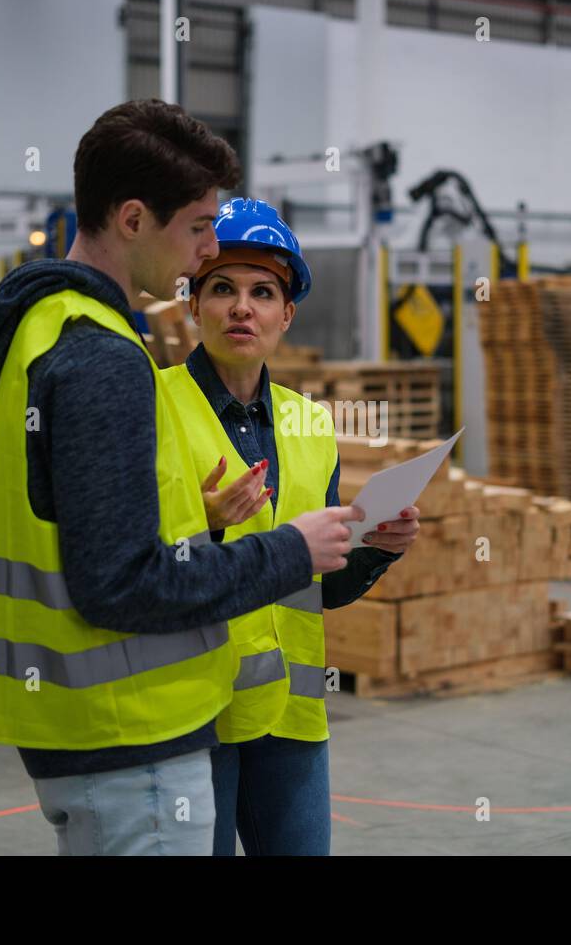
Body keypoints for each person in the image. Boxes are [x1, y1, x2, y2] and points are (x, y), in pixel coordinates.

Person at [0, 102, 362, 856]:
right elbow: (122, 581)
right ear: (133, 219)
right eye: (199, 228)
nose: (207, 250)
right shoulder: (103, 358)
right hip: (129, 727)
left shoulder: (44, 329)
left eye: (263, 292)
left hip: (110, 728)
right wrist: (287, 549)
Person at [161, 198, 421, 855]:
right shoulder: (155, 406)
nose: (241, 308)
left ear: (286, 314)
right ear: (193, 305)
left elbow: (319, 588)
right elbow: (131, 571)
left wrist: (374, 550)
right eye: (222, 288)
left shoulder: (310, 423)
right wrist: (204, 525)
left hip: (294, 715)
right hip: (195, 714)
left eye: (262, 293)